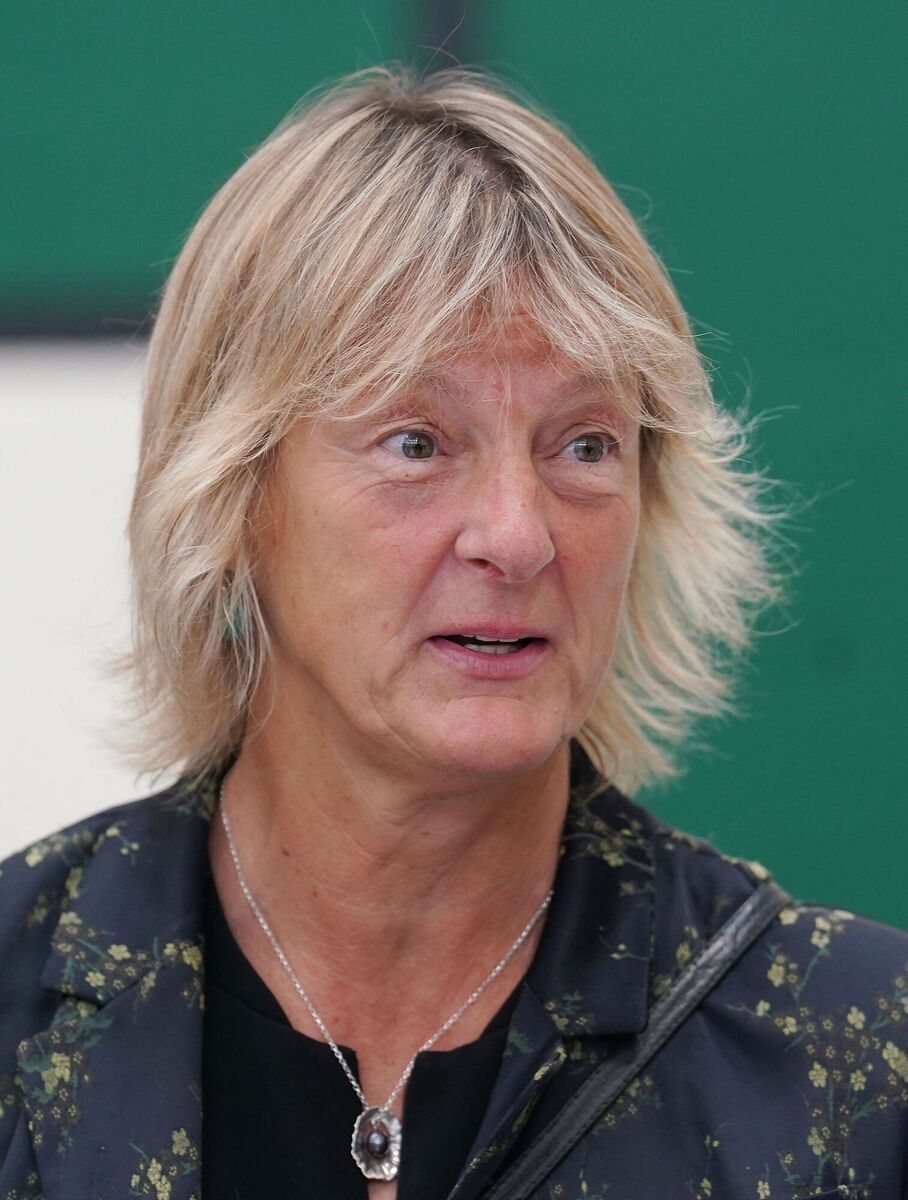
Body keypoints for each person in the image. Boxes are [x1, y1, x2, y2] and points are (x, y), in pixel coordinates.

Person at [0, 66, 906, 1200]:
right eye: (417, 443)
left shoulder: (851, 1070)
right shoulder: (22, 1007)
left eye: (584, 445)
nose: (517, 537)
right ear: (232, 497)